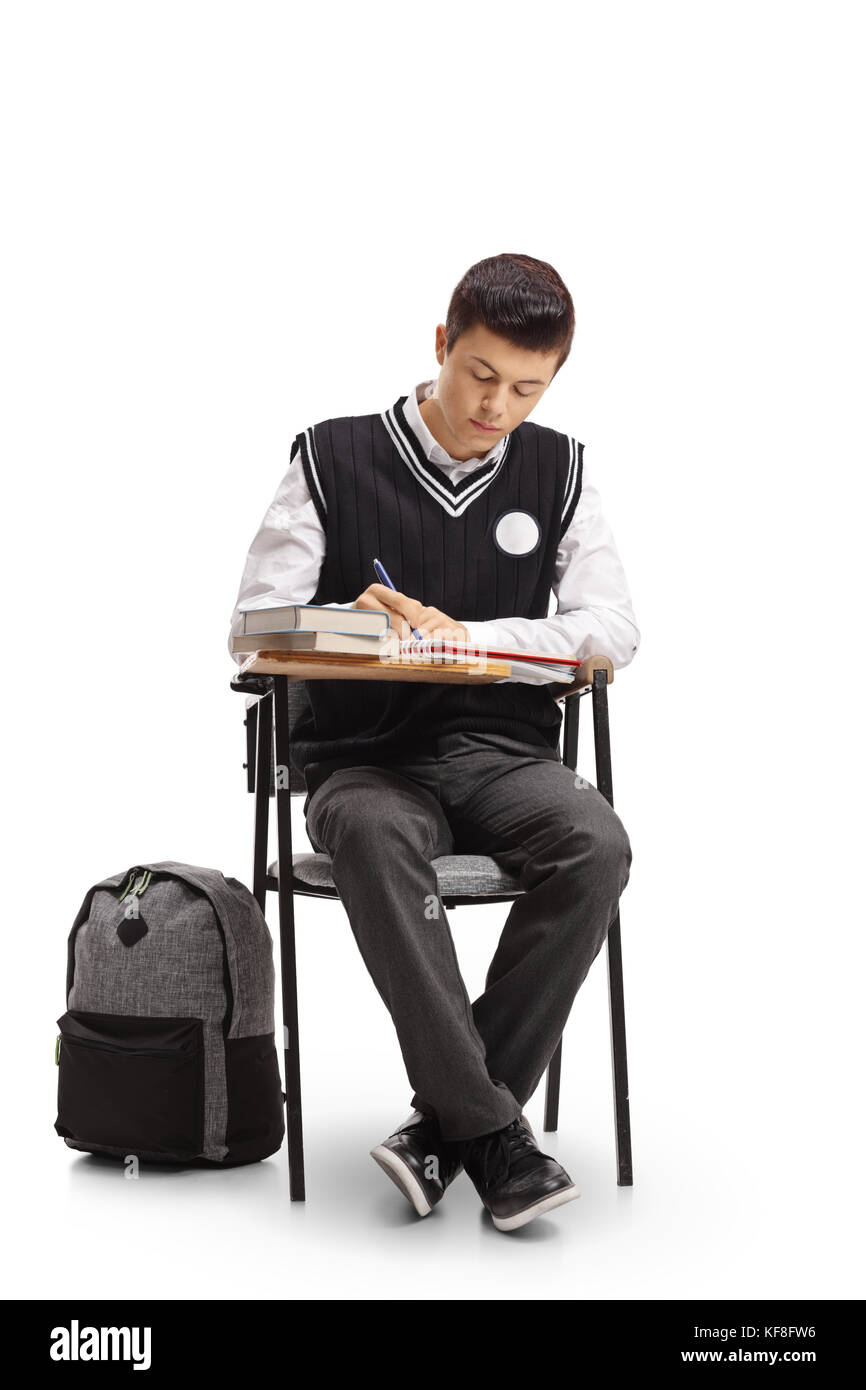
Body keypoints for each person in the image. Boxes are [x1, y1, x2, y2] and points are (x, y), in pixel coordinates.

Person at [229, 252, 640, 1232]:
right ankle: (494, 1134)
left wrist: (470, 638)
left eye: (527, 388)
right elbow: (252, 625)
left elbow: (611, 629)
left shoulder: (560, 470)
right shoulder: (330, 456)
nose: (498, 406)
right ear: (441, 345)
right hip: (364, 760)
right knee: (370, 832)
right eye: (481, 376)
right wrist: (352, 624)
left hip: (502, 757)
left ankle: (444, 1126)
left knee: (596, 844)